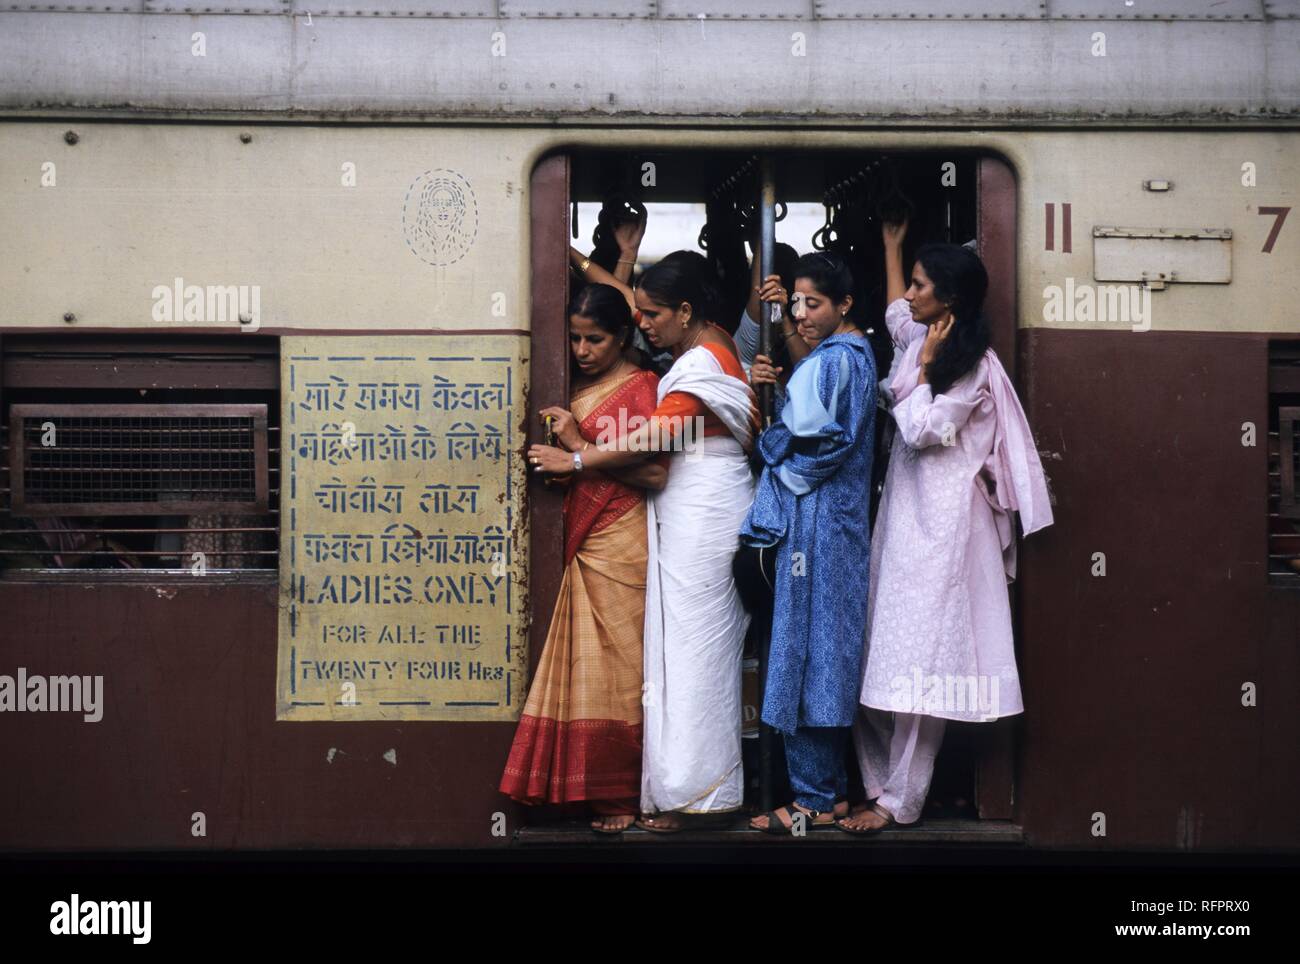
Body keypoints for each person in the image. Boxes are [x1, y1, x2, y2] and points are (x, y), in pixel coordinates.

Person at [528, 251, 759, 832]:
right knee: (679, 652)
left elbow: (657, 435)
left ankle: (697, 796)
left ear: (685, 311)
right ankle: (686, 787)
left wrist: (577, 456)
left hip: (705, 514)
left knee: (693, 656)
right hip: (697, 504)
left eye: (652, 314)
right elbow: (624, 298)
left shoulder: (701, 366)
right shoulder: (709, 338)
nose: (643, 323)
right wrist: (580, 258)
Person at [838, 219, 1054, 835]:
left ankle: (899, 801)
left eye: (920, 285)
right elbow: (892, 317)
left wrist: (926, 368)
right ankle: (880, 785)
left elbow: (921, 430)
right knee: (884, 653)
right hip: (905, 518)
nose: (910, 294)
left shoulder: (971, 366)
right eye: (910, 283)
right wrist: (890, 247)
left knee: (925, 665)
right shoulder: (920, 334)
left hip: (948, 527)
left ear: (949, 301)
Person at [500, 284, 666, 834]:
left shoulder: (642, 388)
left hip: (623, 543)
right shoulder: (573, 383)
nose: (582, 349)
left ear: (622, 337)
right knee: (589, 669)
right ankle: (583, 788)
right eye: (574, 338)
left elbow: (654, 473)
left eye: (595, 339)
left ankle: (621, 789)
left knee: (623, 670)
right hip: (586, 541)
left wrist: (577, 452)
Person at [737, 252, 878, 833]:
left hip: (815, 525)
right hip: (835, 527)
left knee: (807, 654)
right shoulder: (852, 356)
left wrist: (770, 447)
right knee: (828, 652)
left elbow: (817, 444)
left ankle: (812, 802)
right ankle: (834, 793)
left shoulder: (833, 362)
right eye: (795, 302)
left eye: (812, 303)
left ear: (844, 305)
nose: (800, 313)